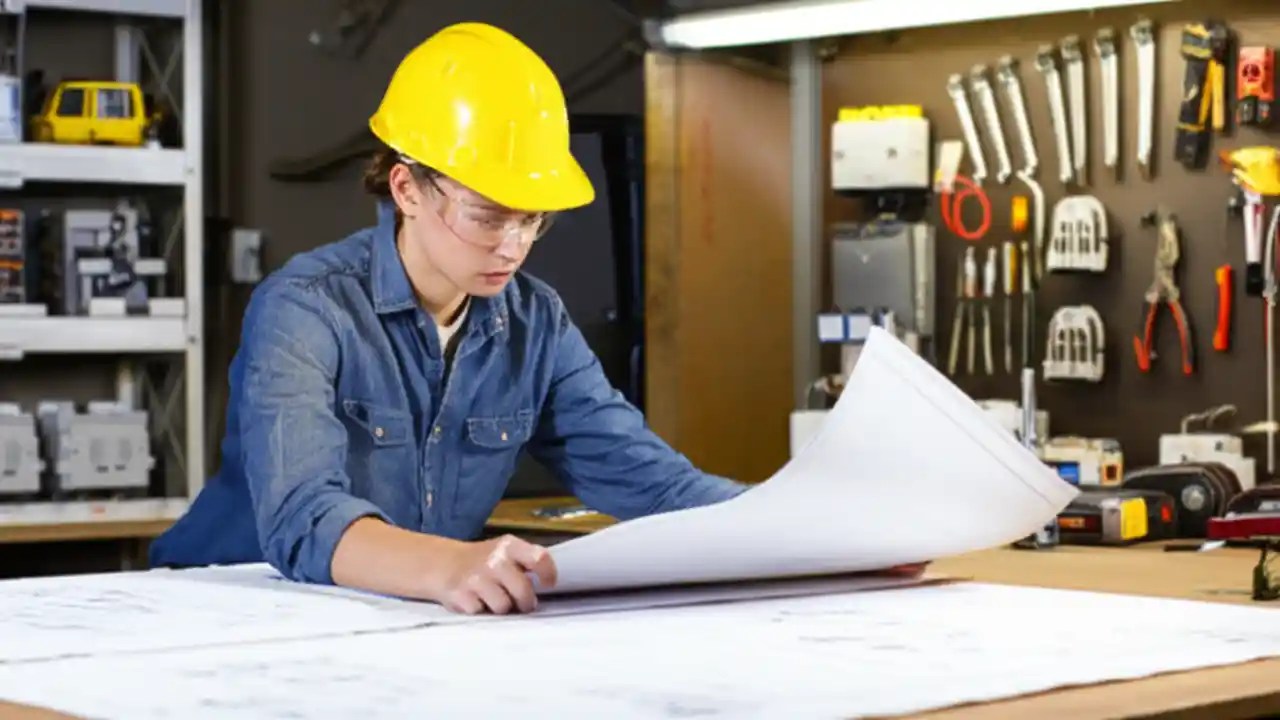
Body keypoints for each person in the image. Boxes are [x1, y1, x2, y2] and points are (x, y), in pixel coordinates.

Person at [147, 22, 749, 614]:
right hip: (219, 610)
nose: (513, 246)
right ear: (407, 189)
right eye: (487, 216)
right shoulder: (305, 308)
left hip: (387, 617)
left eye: (532, 219)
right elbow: (303, 519)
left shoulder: (536, 323)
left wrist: (800, 528)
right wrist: (451, 564)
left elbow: (660, 487)